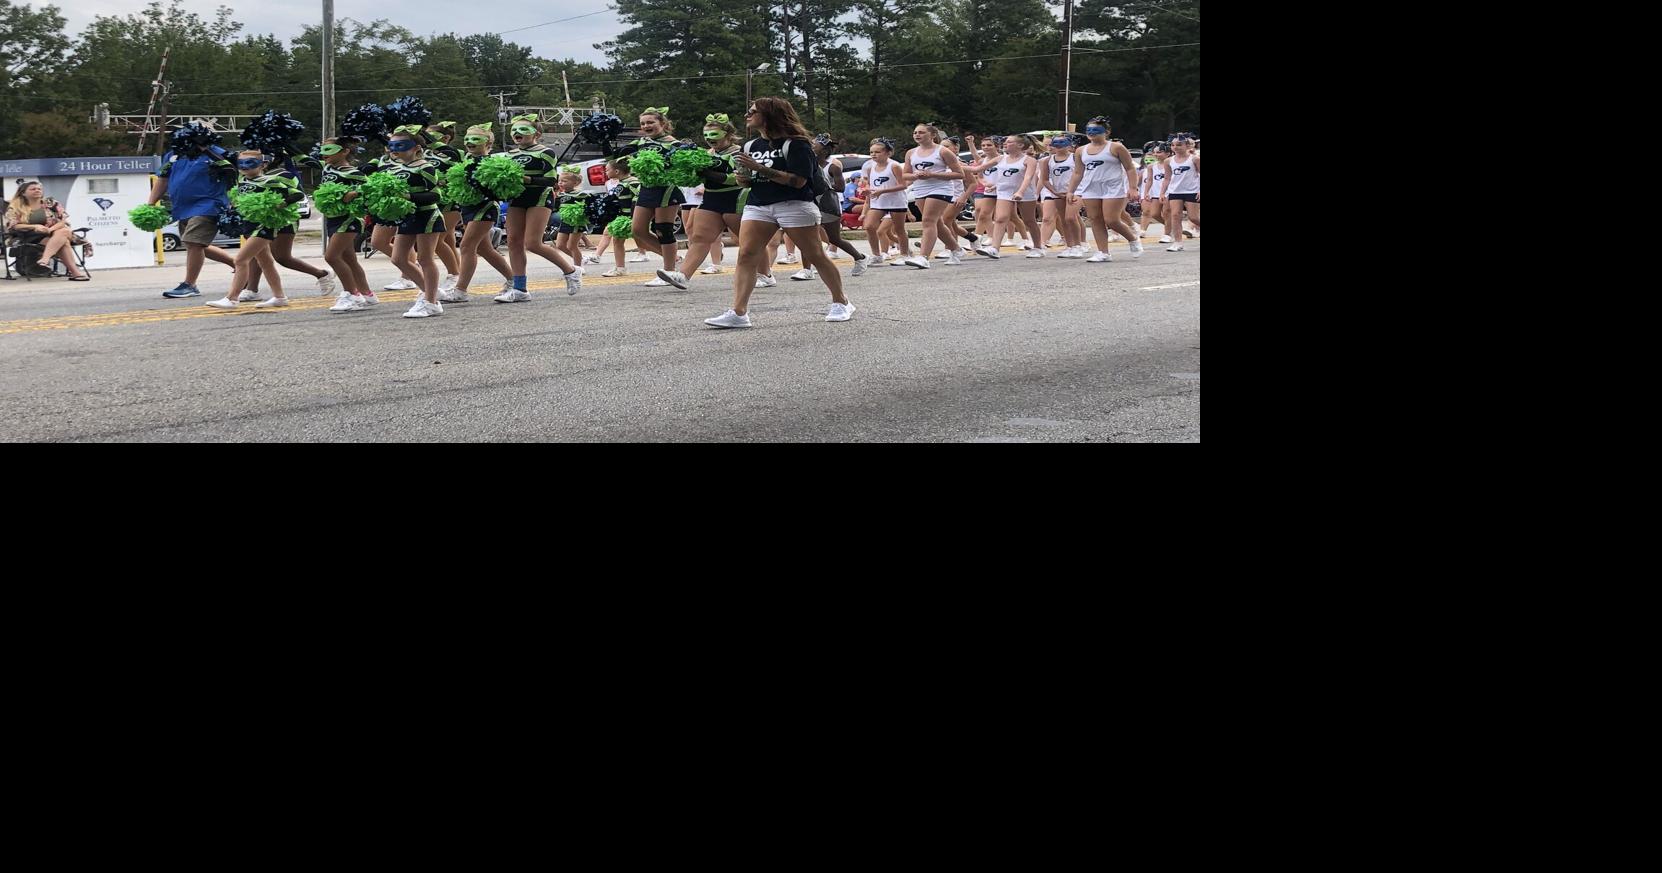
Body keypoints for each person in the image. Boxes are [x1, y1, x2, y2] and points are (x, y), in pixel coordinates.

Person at [703, 96, 853, 328]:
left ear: (770, 115)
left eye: (753, 111)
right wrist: (744, 178)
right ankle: (739, 312)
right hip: (758, 204)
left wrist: (760, 168)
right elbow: (746, 182)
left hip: (794, 204)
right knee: (746, 256)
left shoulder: (797, 144)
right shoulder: (751, 145)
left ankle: (841, 302)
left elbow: (799, 182)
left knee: (815, 254)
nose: (747, 115)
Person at [150, 127, 237, 298]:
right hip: (182, 207)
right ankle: (238, 264)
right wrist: (151, 203)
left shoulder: (216, 153)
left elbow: (233, 174)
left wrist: (235, 203)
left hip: (209, 203)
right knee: (194, 244)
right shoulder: (173, 155)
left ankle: (189, 284)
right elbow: (163, 179)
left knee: (194, 243)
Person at [1066, 115, 1143, 262]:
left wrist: (1133, 188)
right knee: (1095, 219)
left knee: (1112, 220)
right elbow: (1077, 172)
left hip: (1113, 187)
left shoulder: (1116, 147)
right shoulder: (1081, 150)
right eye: (1089, 129)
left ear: (1106, 132)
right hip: (1091, 188)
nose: (1092, 132)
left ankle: (1133, 239)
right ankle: (1103, 252)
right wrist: (1071, 191)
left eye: (1096, 130)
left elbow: (1130, 168)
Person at [4, 181, 90, 280]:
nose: (37, 190)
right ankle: (76, 273)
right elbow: (13, 226)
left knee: (63, 231)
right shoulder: (15, 206)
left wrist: (49, 230)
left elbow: (62, 222)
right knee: (63, 241)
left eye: (39, 189)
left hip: (54, 232)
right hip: (31, 237)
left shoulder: (51, 203)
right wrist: (34, 226)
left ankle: (45, 259)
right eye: (33, 189)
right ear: (23, 193)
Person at [1159, 132, 1201, 252]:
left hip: (1191, 190)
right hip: (1175, 191)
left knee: (1193, 217)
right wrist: (1162, 193)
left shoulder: (1194, 159)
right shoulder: (1168, 161)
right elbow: (1167, 178)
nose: (1175, 147)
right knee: (1175, 215)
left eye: (1179, 145)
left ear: (1187, 146)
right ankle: (1178, 242)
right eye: (1173, 145)